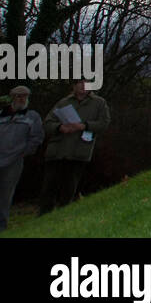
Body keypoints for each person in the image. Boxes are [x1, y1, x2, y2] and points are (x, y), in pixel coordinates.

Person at [39, 79, 109, 214]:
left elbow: (104, 123)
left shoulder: (99, 103)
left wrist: (85, 126)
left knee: (69, 188)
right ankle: (43, 217)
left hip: (78, 151)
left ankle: (63, 217)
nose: (83, 86)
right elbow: (47, 123)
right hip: (57, 151)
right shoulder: (63, 102)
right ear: (74, 86)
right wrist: (60, 127)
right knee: (49, 187)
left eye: (87, 83)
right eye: (80, 83)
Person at [0, 85, 43, 230]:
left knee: (5, 195)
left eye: (25, 96)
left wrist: (24, 152)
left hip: (14, 161)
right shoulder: (1, 114)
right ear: (12, 97)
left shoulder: (32, 116)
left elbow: (37, 137)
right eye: (18, 96)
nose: (21, 99)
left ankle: (2, 227)